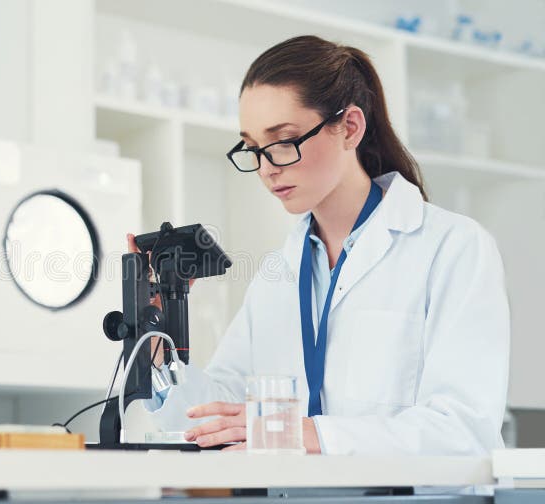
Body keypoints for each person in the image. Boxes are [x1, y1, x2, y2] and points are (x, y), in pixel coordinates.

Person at [126, 35, 509, 455]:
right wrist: (157, 345)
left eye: (284, 141)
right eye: (253, 148)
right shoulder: (280, 270)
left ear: (350, 128)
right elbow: (221, 416)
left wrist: (313, 436)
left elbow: (463, 431)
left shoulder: (453, 249)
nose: (267, 169)